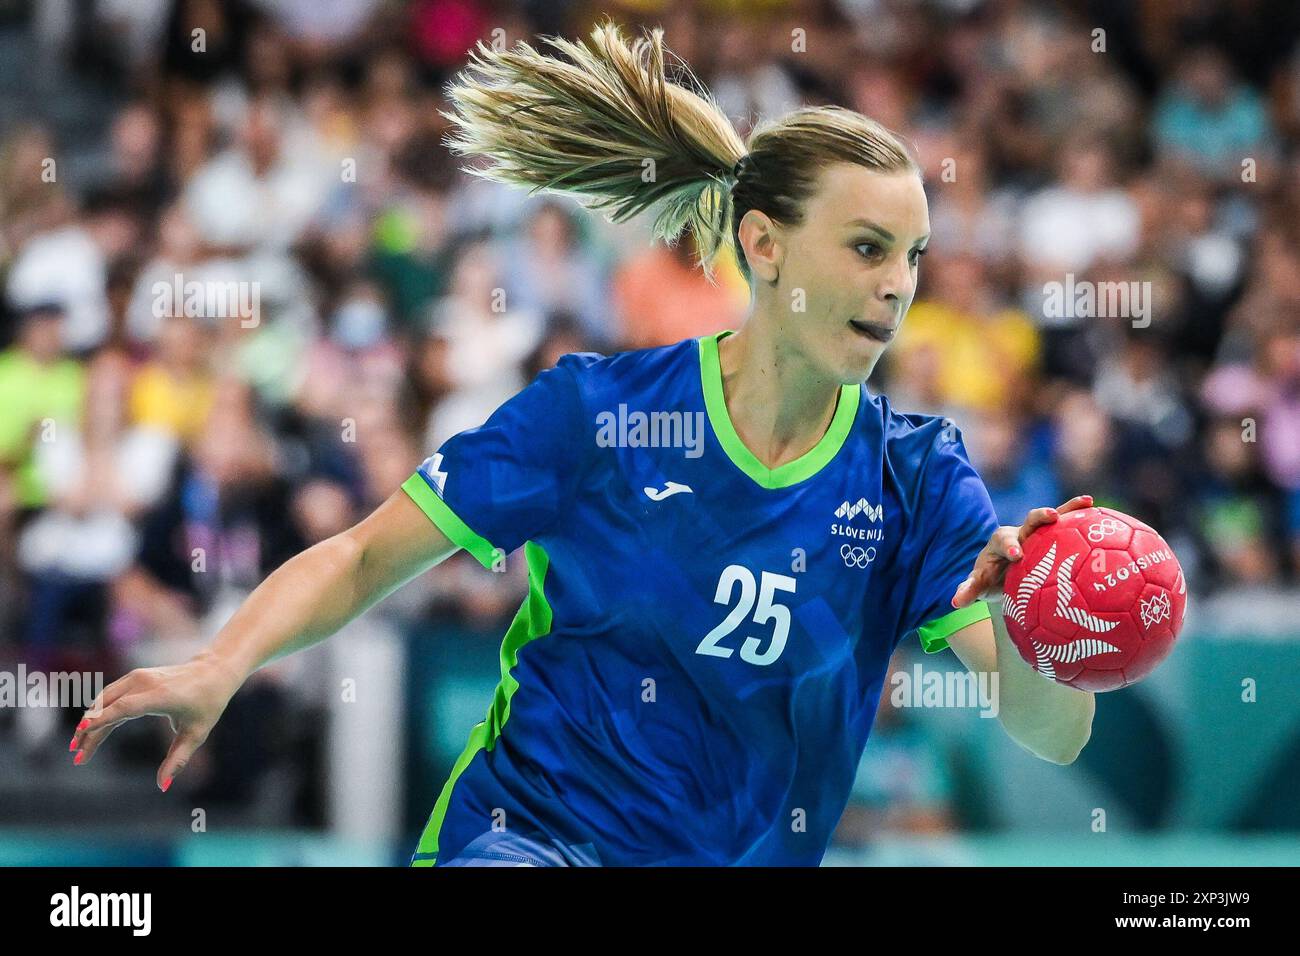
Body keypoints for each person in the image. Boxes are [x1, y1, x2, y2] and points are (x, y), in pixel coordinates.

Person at [71, 23, 1095, 867]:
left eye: (911, 255)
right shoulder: (601, 415)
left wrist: (1040, 626)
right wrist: (221, 660)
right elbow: (361, 557)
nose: (896, 284)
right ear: (764, 244)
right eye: (866, 248)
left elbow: (1047, 730)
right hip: (531, 836)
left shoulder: (915, 475)